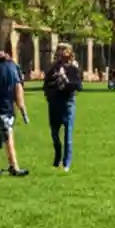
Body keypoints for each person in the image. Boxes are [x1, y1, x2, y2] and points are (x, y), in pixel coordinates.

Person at [0, 50, 30, 176]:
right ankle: (14, 167)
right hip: (7, 110)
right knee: (8, 137)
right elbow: (18, 89)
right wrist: (23, 112)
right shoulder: (12, 68)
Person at [43, 43, 82, 172]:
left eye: (64, 50)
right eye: (59, 50)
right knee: (54, 134)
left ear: (69, 53)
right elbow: (46, 84)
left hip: (67, 103)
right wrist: (48, 95)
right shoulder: (52, 68)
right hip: (54, 103)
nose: (61, 53)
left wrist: (65, 78)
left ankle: (66, 163)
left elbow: (78, 86)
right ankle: (57, 156)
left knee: (68, 135)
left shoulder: (73, 69)